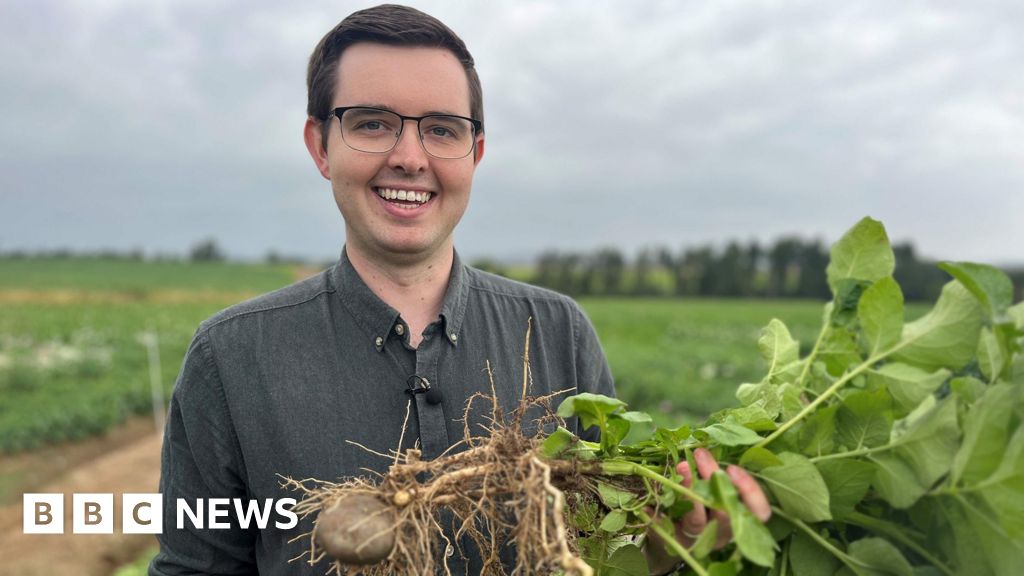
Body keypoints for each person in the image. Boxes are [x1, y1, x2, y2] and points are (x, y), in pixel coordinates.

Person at [150, 5, 768, 575]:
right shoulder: (230, 357)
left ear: (475, 152)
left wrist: (666, 548)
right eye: (372, 124)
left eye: (442, 130)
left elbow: (605, 550)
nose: (410, 157)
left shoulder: (557, 332)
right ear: (320, 146)